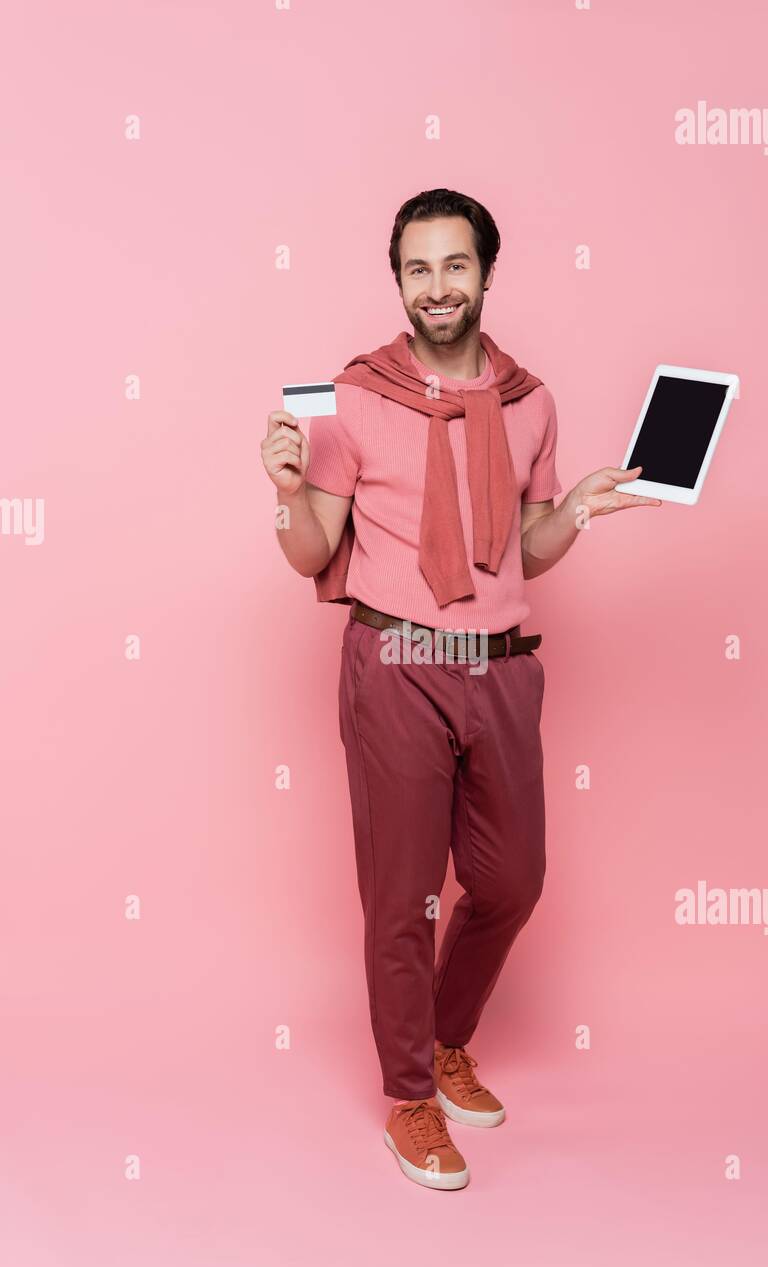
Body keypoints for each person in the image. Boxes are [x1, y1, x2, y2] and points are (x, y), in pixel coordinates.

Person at [260, 188, 659, 1190]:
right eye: (418, 269)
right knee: (402, 898)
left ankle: (445, 1037)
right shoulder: (355, 399)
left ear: (485, 271)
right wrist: (284, 498)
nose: (437, 286)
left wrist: (570, 511)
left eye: (454, 265)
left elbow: (522, 550)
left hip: (504, 665)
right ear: (399, 283)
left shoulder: (532, 401)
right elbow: (317, 548)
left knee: (513, 878)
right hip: (396, 661)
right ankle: (409, 1097)